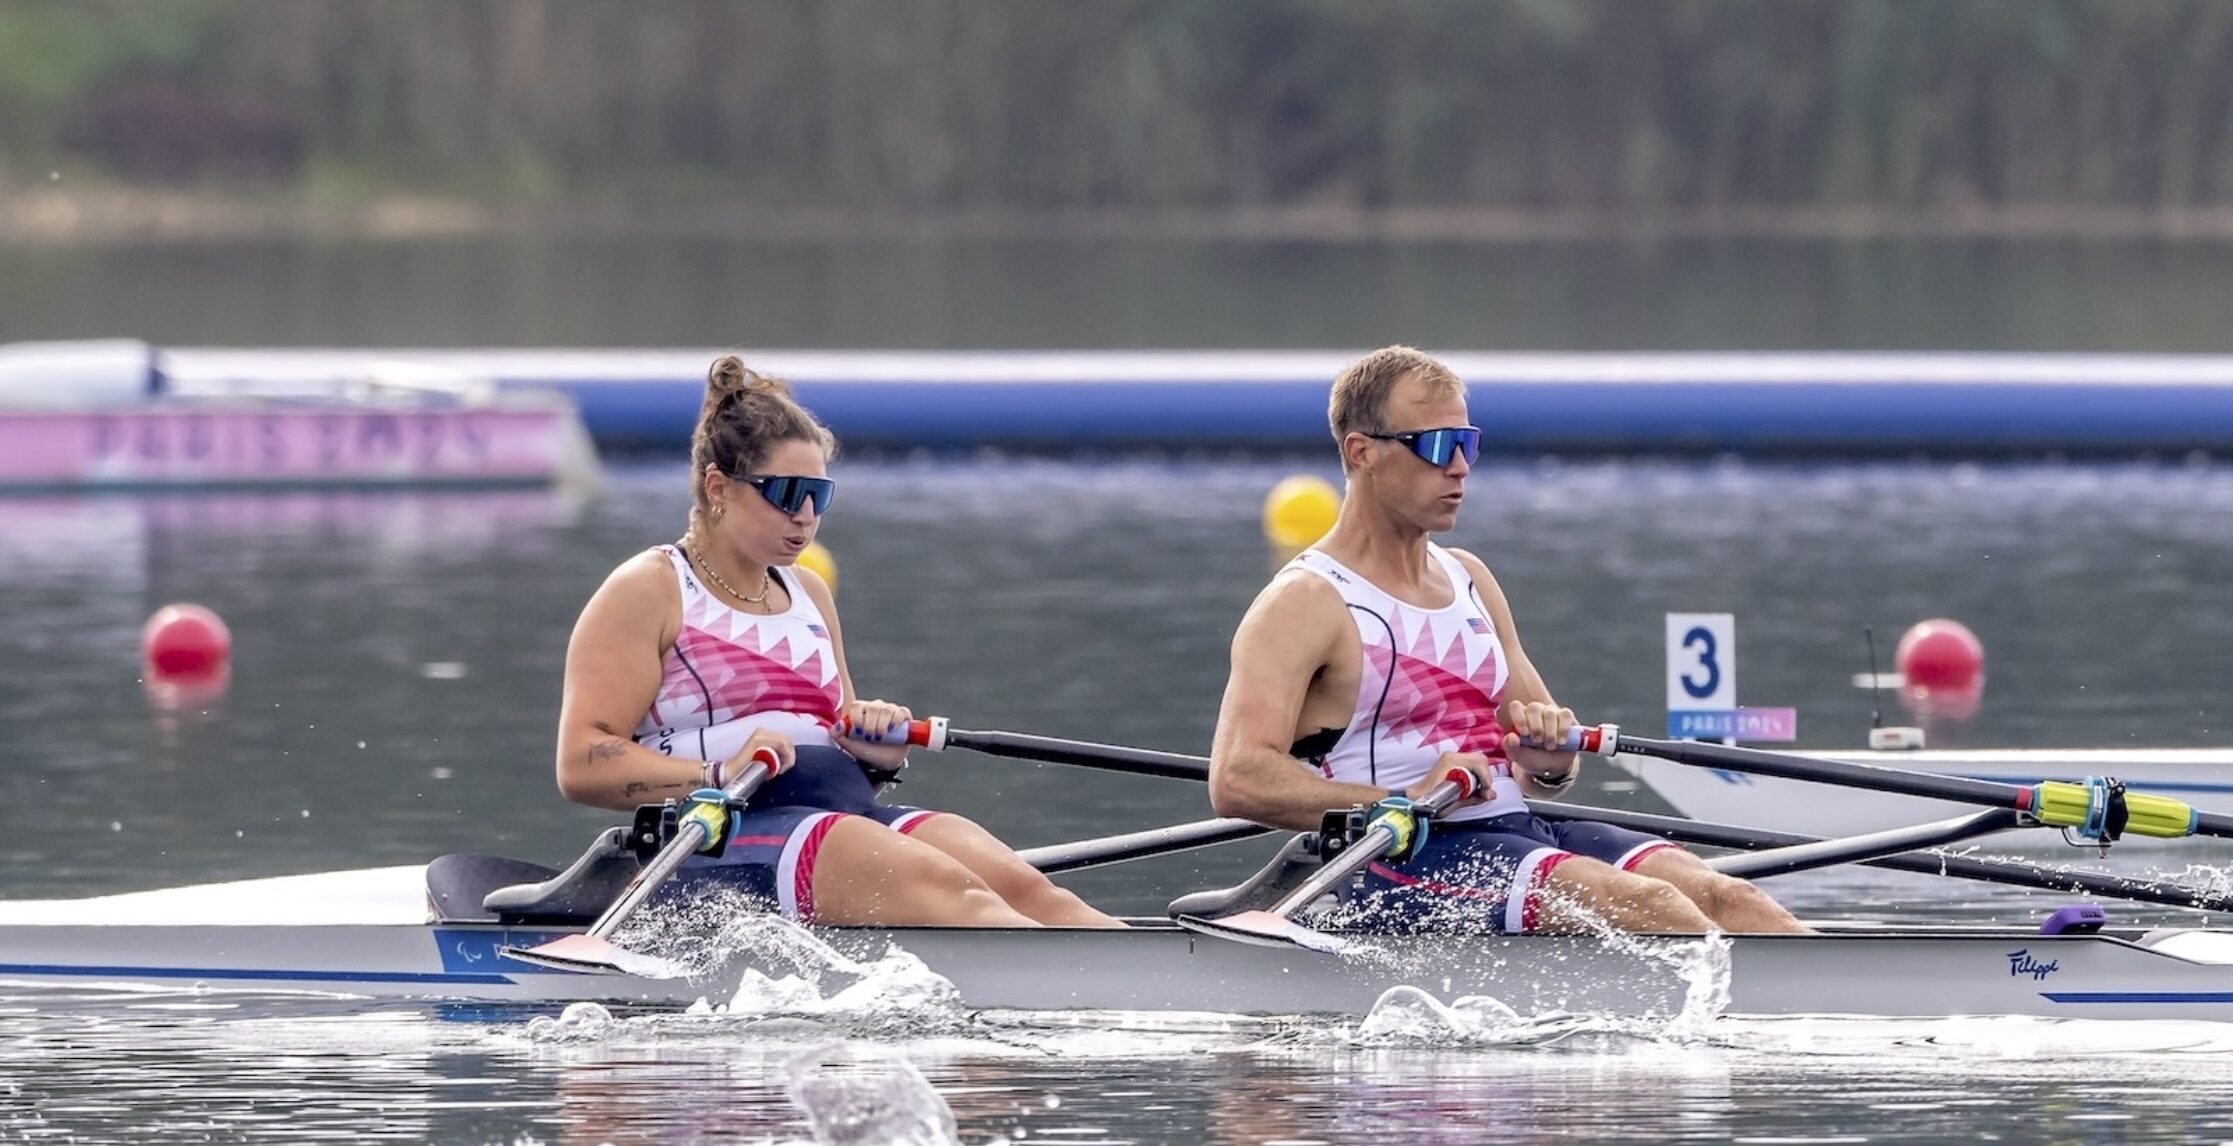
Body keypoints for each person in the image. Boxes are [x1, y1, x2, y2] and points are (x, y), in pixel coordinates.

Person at [1208, 346, 1806, 936]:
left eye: (1468, 443)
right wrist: (1400, 796)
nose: (1461, 467)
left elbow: (1542, 765)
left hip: (1512, 830)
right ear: (1361, 452)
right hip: (1394, 861)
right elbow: (1237, 777)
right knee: (1656, 907)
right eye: (1438, 446)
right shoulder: (1304, 602)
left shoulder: (1470, 577)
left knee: (1729, 898)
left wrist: (1550, 763)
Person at [555, 354, 1120, 929]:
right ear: (718, 488)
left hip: (843, 809)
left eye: (818, 496)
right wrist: (719, 771)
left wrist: (874, 752)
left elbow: (836, 727)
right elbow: (579, 764)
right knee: (962, 898)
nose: (804, 517)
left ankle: (1158, 989)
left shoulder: (809, 592)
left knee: (1031, 892)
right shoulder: (649, 589)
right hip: (721, 836)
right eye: (786, 492)